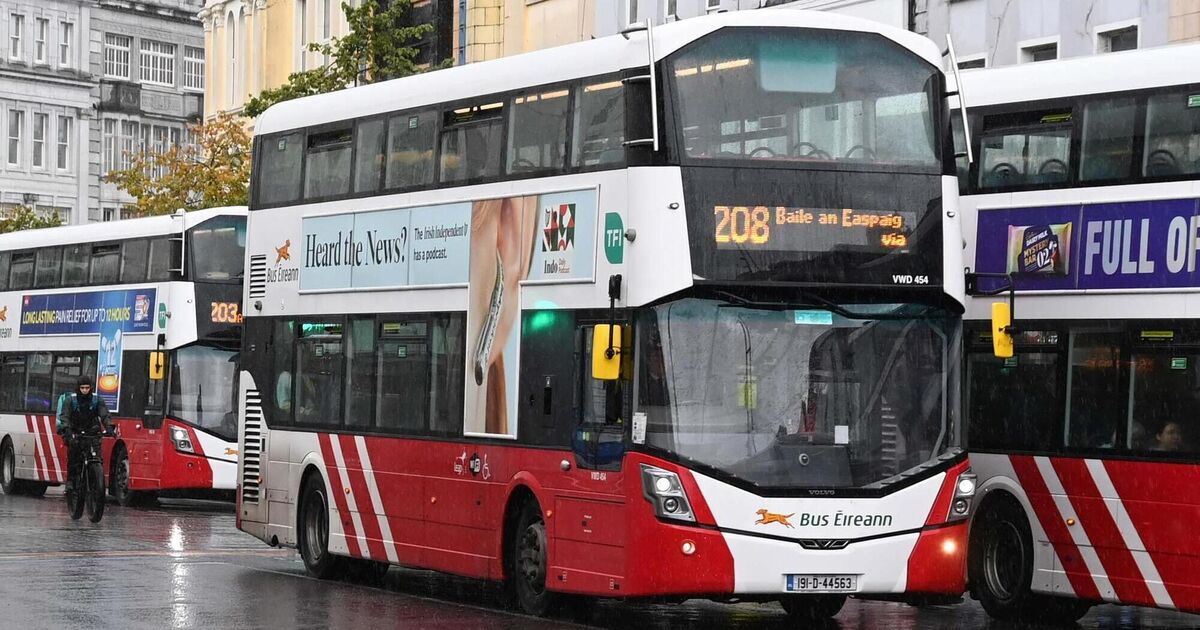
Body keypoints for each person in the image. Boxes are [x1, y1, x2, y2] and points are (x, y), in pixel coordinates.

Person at [55, 376, 113, 494]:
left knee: (97, 457)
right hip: (75, 431)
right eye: (82, 388)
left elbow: (104, 415)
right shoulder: (70, 400)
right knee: (74, 456)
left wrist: (109, 427)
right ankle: (71, 482)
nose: (85, 390)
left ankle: (95, 480)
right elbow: (64, 416)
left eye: (87, 388)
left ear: (90, 388)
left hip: (92, 432)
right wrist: (67, 430)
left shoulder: (97, 400)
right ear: (78, 388)